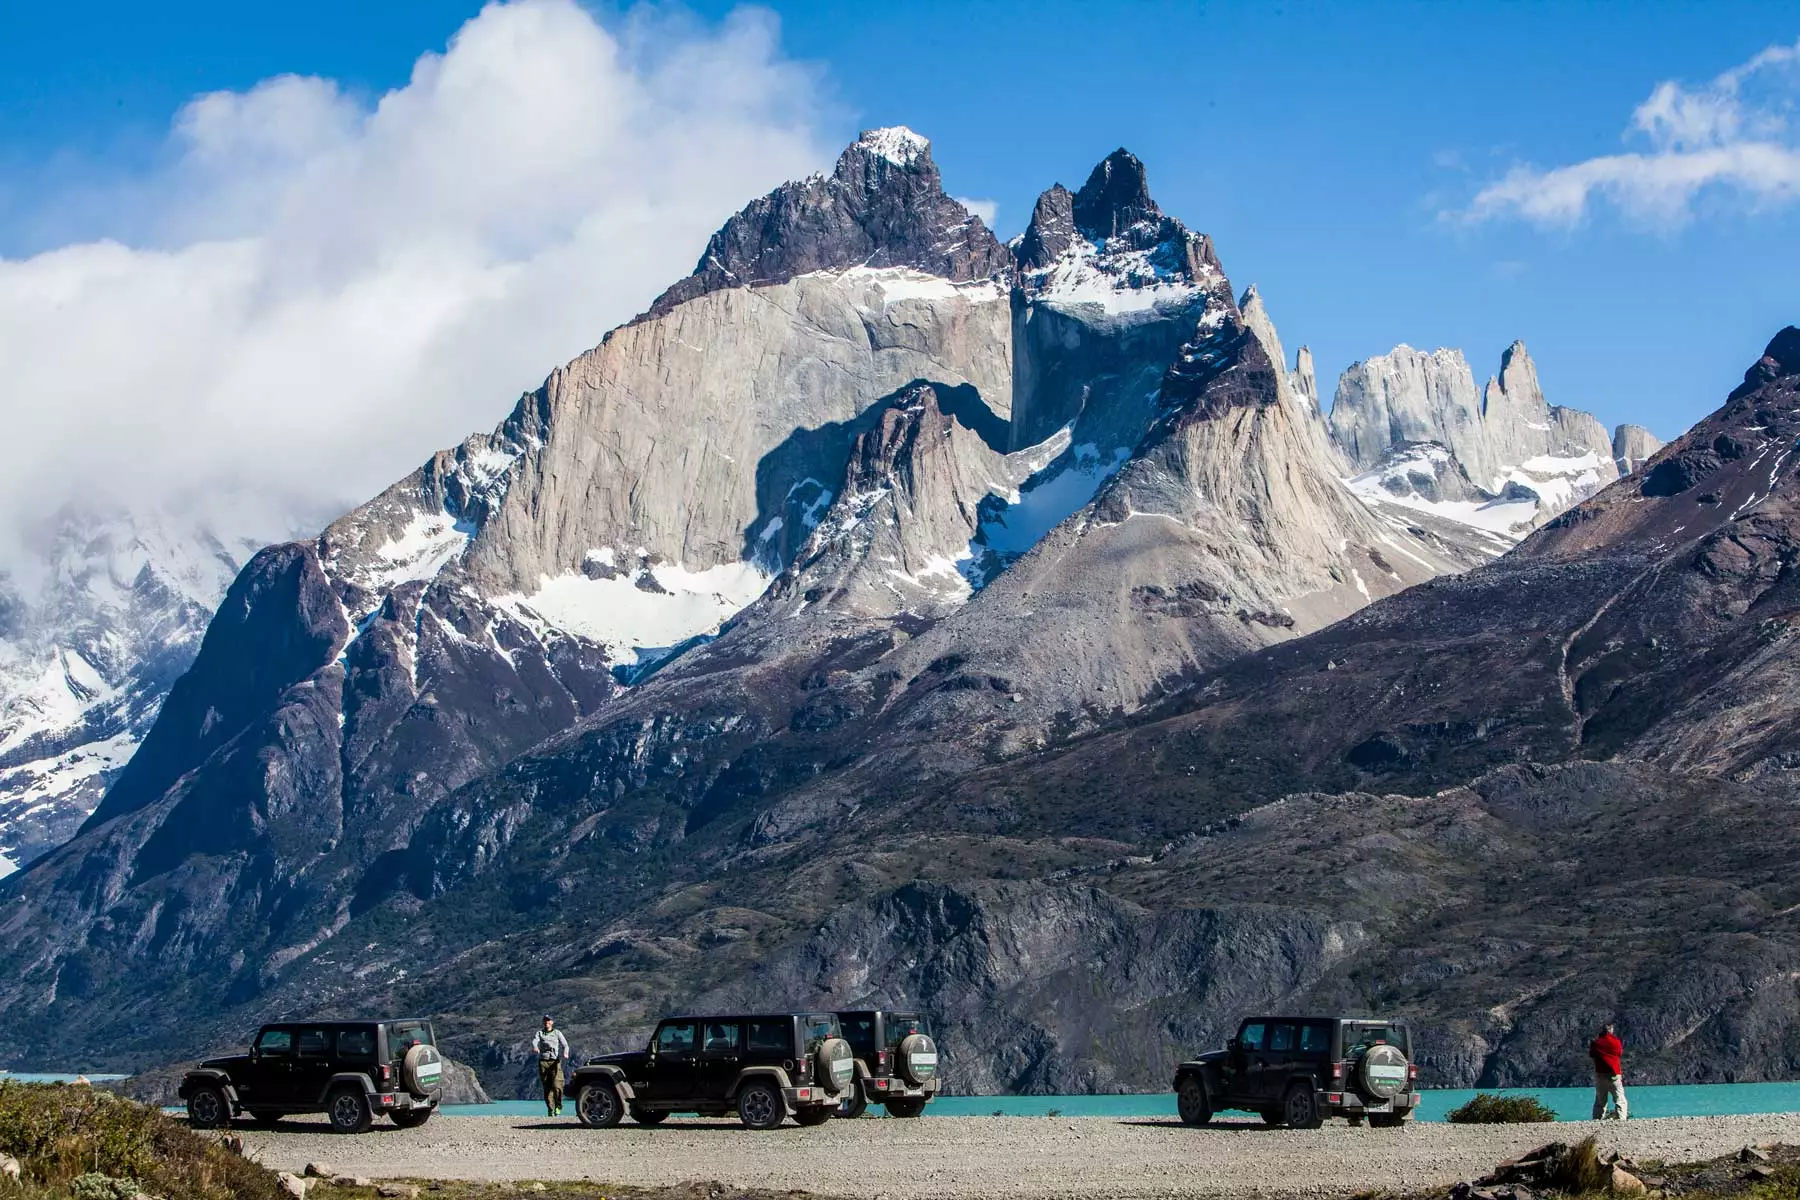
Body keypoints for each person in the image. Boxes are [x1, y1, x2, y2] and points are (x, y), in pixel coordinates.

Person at [532, 1014, 571, 1117]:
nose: (547, 1022)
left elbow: (565, 1045)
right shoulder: (540, 1033)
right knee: (547, 1087)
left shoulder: (557, 1033)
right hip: (543, 1062)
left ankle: (558, 1106)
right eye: (545, 1020)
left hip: (555, 1062)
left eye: (549, 1020)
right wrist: (535, 1047)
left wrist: (565, 1053)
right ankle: (550, 1109)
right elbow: (535, 1041)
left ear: (552, 1022)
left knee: (557, 1085)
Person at [1589, 1022, 1627, 1120]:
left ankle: (1597, 1120)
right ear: (1611, 1030)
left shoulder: (1596, 1043)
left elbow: (1592, 1054)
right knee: (1619, 1099)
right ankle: (1621, 1119)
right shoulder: (1616, 1042)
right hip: (1614, 1074)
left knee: (1600, 1101)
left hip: (1600, 1074)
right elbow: (1619, 1053)